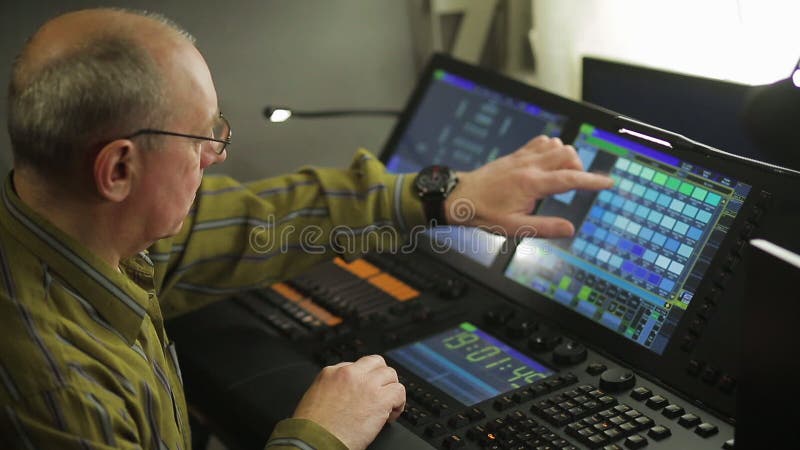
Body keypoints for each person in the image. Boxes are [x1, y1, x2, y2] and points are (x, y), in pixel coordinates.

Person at [0, 8, 613, 450]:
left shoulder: (84, 232)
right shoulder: (58, 389)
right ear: (119, 168)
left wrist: (441, 196)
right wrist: (321, 434)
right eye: (202, 137)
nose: (218, 154)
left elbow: (264, 222)